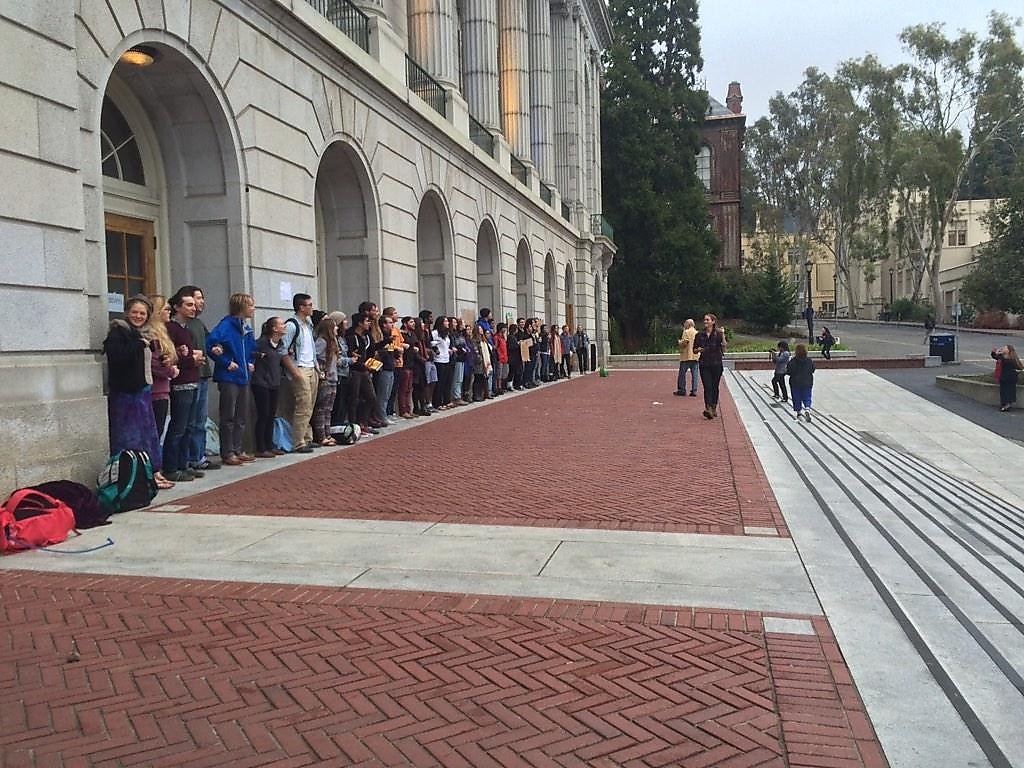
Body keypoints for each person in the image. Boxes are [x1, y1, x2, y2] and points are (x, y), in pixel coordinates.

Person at [103, 295, 170, 489]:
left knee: (148, 434)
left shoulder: (144, 334)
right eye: (134, 312)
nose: (138, 316)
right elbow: (118, 357)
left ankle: (152, 473)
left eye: (142, 313)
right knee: (129, 437)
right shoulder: (118, 332)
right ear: (127, 313)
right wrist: (140, 344)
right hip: (126, 393)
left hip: (142, 390)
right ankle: (132, 477)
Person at [207, 293, 257, 466]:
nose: (253, 308)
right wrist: (226, 362)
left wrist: (251, 362)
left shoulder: (246, 328)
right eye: (250, 305)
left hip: (243, 375)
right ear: (241, 307)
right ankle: (227, 451)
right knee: (228, 415)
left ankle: (237, 448)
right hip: (229, 376)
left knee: (241, 415)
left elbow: (252, 349)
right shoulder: (225, 326)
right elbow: (211, 345)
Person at [163, 291, 204, 481]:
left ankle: (183, 463)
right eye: (188, 305)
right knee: (178, 426)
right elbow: (170, 357)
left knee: (189, 426)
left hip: (192, 379)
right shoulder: (171, 328)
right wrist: (190, 358)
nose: (193, 308)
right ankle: (171, 467)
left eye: (193, 305)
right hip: (180, 383)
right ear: (177, 307)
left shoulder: (185, 328)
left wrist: (193, 357)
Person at [179, 285, 220, 473]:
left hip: (203, 374)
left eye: (202, 298)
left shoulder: (199, 323)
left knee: (200, 420)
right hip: (188, 376)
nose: (200, 302)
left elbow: (209, 342)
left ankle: (199, 456)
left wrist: (216, 349)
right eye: (197, 298)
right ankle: (188, 458)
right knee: (189, 421)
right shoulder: (181, 324)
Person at [282, 293, 319, 453]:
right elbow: (283, 350)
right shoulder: (291, 325)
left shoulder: (309, 324)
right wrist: (294, 372)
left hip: (311, 367)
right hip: (300, 368)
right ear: (301, 307)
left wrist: (316, 366)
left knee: (310, 405)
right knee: (303, 405)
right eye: (309, 305)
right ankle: (299, 442)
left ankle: (307, 437)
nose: (311, 308)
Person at [145, 294, 178, 451]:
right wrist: (171, 371)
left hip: (162, 390)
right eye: (166, 309)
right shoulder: (151, 335)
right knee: (154, 432)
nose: (169, 312)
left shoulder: (162, 333)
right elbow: (153, 363)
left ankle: (155, 468)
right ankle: (152, 469)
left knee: (158, 431)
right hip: (155, 391)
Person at [251, 317, 286, 458]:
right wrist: (258, 356)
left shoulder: (280, 344)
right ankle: (260, 447)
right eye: (281, 324)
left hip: (274, 382)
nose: (284, 327)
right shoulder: (261, 343)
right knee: (263, 414)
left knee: (271, 414)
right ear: (274, 328)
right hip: (261, 382)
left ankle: (269, 444)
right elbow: (250, 353)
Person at [312, 316, 340, 446]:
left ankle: (327, 433)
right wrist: (320, 372)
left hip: (333, 377)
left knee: (329, 408)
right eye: (335, 326)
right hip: (325, 378)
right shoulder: (322, 341)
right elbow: (315, 357)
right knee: (321, 408)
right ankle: (320, 435)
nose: (337, 328)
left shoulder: (333, 342)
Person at [693, 313, 726, 419]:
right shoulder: (699, 334)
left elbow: (724, 348)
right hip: (704, 364)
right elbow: (694, 349)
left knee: (714, 386)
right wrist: (698, 350)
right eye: (705, 320)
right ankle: (708, 408)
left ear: (713, 321)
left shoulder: (718, 334)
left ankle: (714, 407)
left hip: (716, 363)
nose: (705, 322)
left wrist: (723, 335)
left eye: (707, 320)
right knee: (707, 387)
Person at [327, 311, 354, 432]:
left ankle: (341, 425)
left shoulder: (342, 338)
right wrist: (350, 360)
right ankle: (335, 427)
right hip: (338, 373)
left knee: (344, 402)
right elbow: (336, 359)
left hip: (346, 373)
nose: (346, 322)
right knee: (338, 403)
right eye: (344, 320)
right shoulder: (333, 340)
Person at [786, 343, 816, 422]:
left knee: (796, 398)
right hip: (807, 382)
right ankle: (807, 408)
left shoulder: (793, 361)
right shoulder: (809, 360)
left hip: (795, 383)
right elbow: (813, 370)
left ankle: (799, 412)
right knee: (807, 396)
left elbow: (788, 371)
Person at [431, 316, 454, 409]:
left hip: (446, 358)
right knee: (439, 382)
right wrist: (436, 350)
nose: (447, 323)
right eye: (445, 321)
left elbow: (446, 344)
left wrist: (449, 350)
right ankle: (437, 403)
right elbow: (432, 343)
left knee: (446, 381)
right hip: (438, 359)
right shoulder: (435, 333)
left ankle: (446, 400)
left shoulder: (446, 334)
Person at [992, 345, 1022, 412]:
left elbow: (1019, 367)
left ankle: (1008, 405)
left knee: (1010, 391)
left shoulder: (1012, 358)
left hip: (1010, 377)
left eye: (1005, 348)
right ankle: (1004, 404)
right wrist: (994, 352)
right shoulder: (1002, 357)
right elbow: (995, 357)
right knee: (1003, 391)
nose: (1003, 349)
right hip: (1003, 377)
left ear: (1009, 350)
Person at [675, 319, 699, 397]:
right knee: (695, 374)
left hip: (686, 356)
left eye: (685, 323)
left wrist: (680, 342)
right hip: (695, 356)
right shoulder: (697, 332)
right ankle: (694, 390)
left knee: (682, 373)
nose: (684, 324)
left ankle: (682, 389)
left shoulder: (686, 332)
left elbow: (685, 342)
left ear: (688, 324)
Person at [495, 323, 510, 393]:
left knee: (505, 373)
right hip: (499, 357)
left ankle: (503, 386)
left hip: (505, 357)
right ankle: (498, 387)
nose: (505, 329)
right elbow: (496, 347)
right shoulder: (497, 337)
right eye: (504, 328)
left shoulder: (503, 337)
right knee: (499, 373)